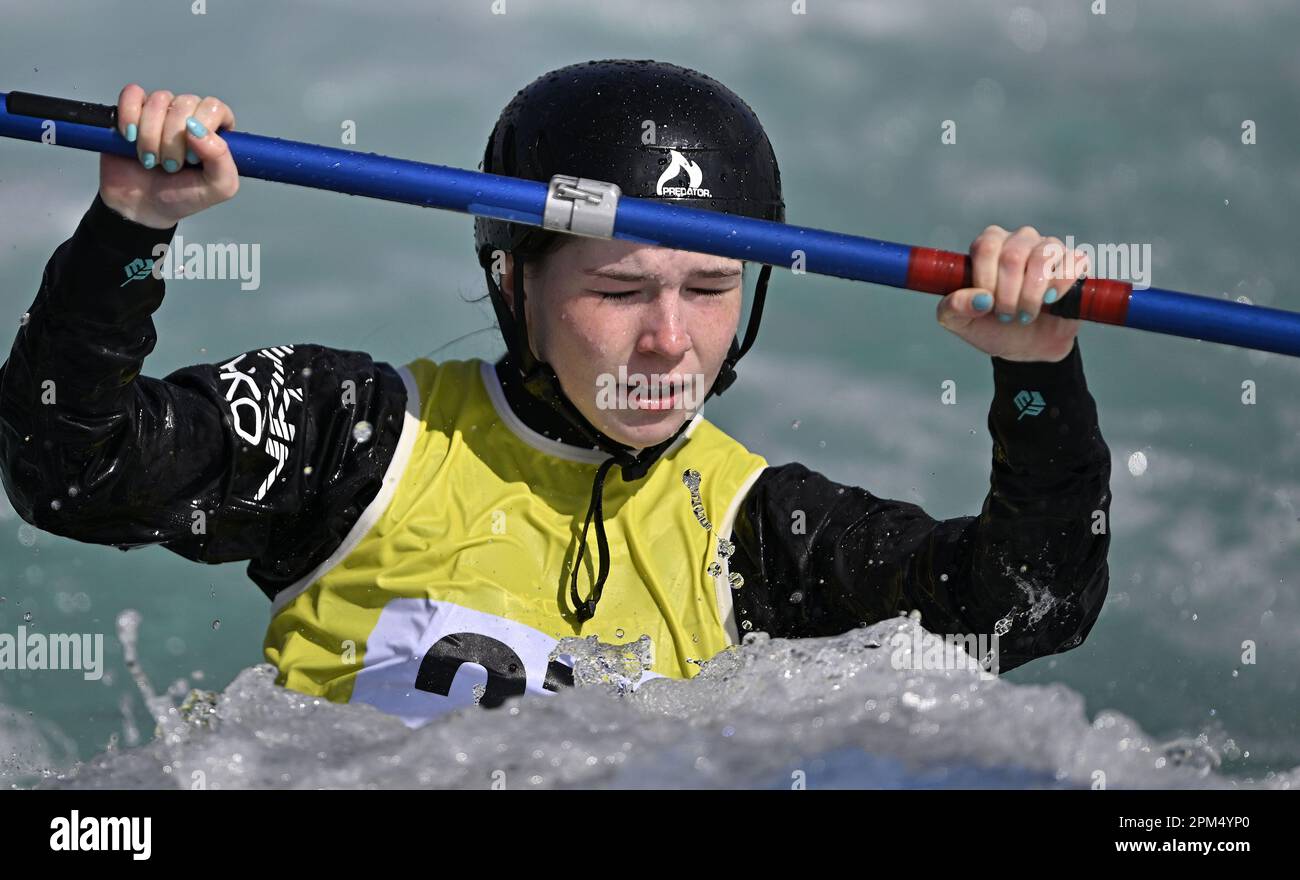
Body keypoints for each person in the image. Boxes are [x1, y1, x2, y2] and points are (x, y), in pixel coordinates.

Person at [0, 60, 1111, 727]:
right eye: (618, 288)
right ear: (511, 281)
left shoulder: (760, 535)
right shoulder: (356, 439)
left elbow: (1032, 606)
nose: (671, 342)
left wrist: (1038, 373)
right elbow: (70, 471)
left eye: (711, 287)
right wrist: (131, 229)